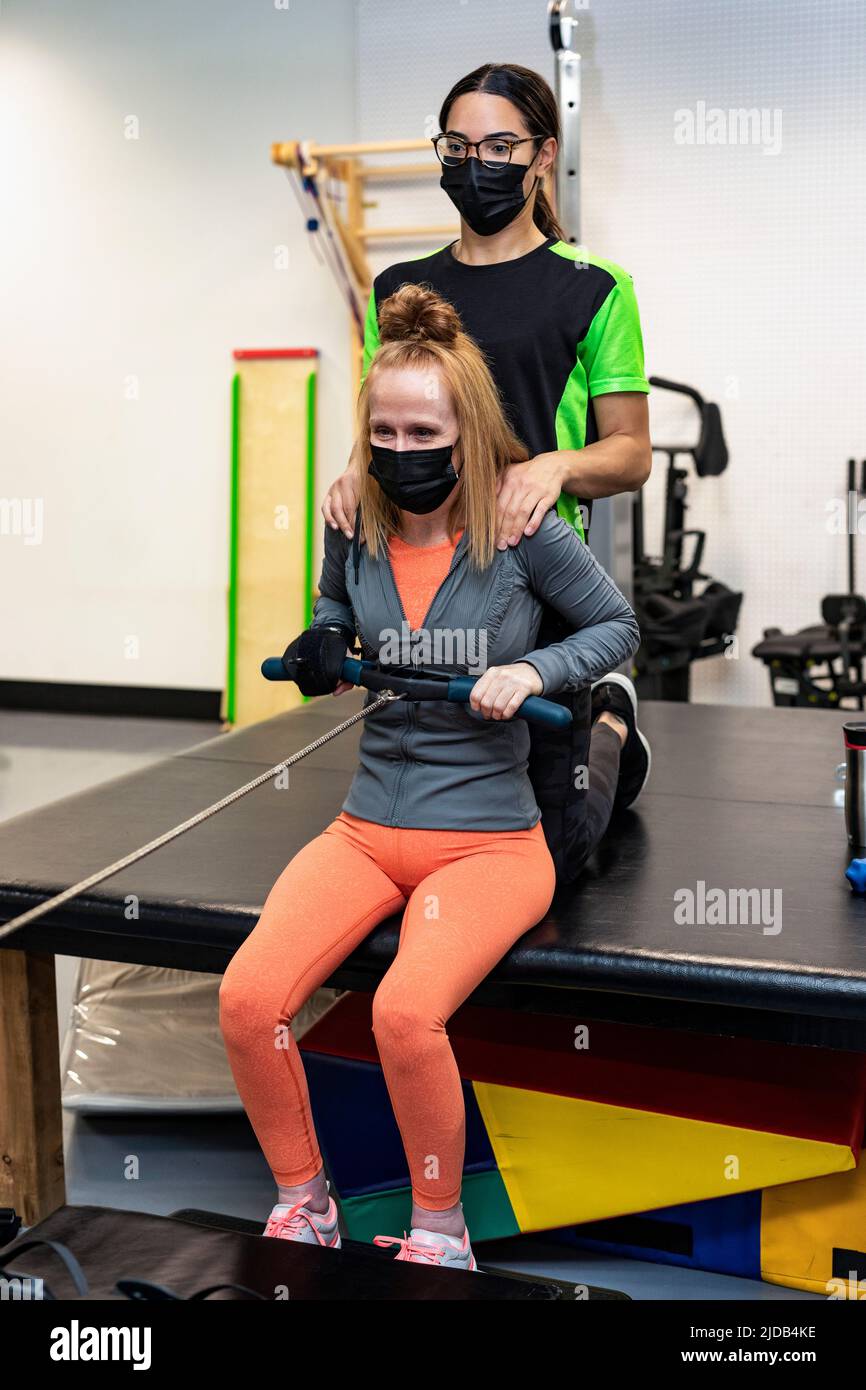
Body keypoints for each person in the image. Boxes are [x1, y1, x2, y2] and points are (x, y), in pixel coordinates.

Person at [219, 283, 642, 1271]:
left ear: (465, 433)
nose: (402, 448)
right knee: (248, 998)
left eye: (422, 430)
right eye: (383, 430)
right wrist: (324, 635)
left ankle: (440, 1233)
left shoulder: (522, 527)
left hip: (489, 838)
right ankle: (304, 1205)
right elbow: (331, 605)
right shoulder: (352, 519)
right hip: (367, 824)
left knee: (404, 1013)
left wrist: (533, 669)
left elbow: (614, 626)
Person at [323, 61, 653, 868]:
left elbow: (632, 451)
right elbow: (387, 419)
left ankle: (611, 724)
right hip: (433, 581)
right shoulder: (402, 289)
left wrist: (555, 468)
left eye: (501, 145)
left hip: (537, 584)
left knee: (561, 856)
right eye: (458, 145)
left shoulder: (595, 288)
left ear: (543, 155)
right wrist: (352, 471)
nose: (477, 164)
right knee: (435, 812)